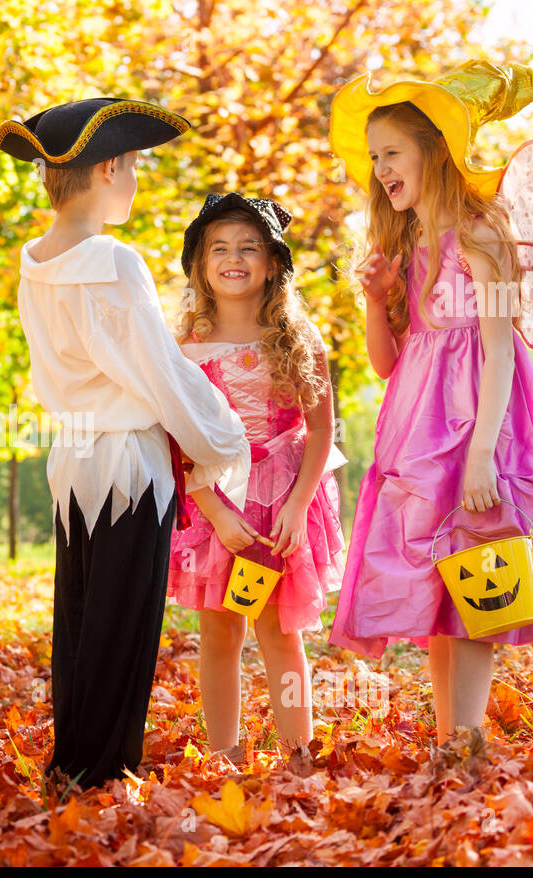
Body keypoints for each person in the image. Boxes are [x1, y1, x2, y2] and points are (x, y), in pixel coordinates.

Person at [326, 60, 533, 752]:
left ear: (434, 152)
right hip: (417, 433)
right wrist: (374, 300)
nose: (381, 168)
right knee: (440, 591)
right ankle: (450, 739)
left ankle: (466, 741)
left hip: (483, 430)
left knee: (478, 575)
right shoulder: (411, 247)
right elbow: (389, 364)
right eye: (375, 156)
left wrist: (480, 456)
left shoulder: (483, 238)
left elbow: (500, 352)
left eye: (392, 152)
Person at [0, 98, 251, 788]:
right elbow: (157, 373)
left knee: (81, 619)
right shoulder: (113, 259)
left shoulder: (35, 259)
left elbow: (122, 360)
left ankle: (75, 762)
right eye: (134, 165)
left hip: (74, 457)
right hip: (129, 464)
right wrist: (224, 433)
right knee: (123, 622)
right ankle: (103, 772)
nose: (136, 178)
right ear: (108, 168)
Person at [167, 193, 346, 768]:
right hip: (219, 502)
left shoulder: (298, 340)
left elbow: (320, 432)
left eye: (249, 247)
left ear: (272, 264)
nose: (233, 258)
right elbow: (178, 439)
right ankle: (225, 754)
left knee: (278, 629)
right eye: (218, 248)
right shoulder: (184, 348)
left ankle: (299, 752)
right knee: (220, 632)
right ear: (199, 265)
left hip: (285, 499)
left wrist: (298, 506)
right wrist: (214, 511)